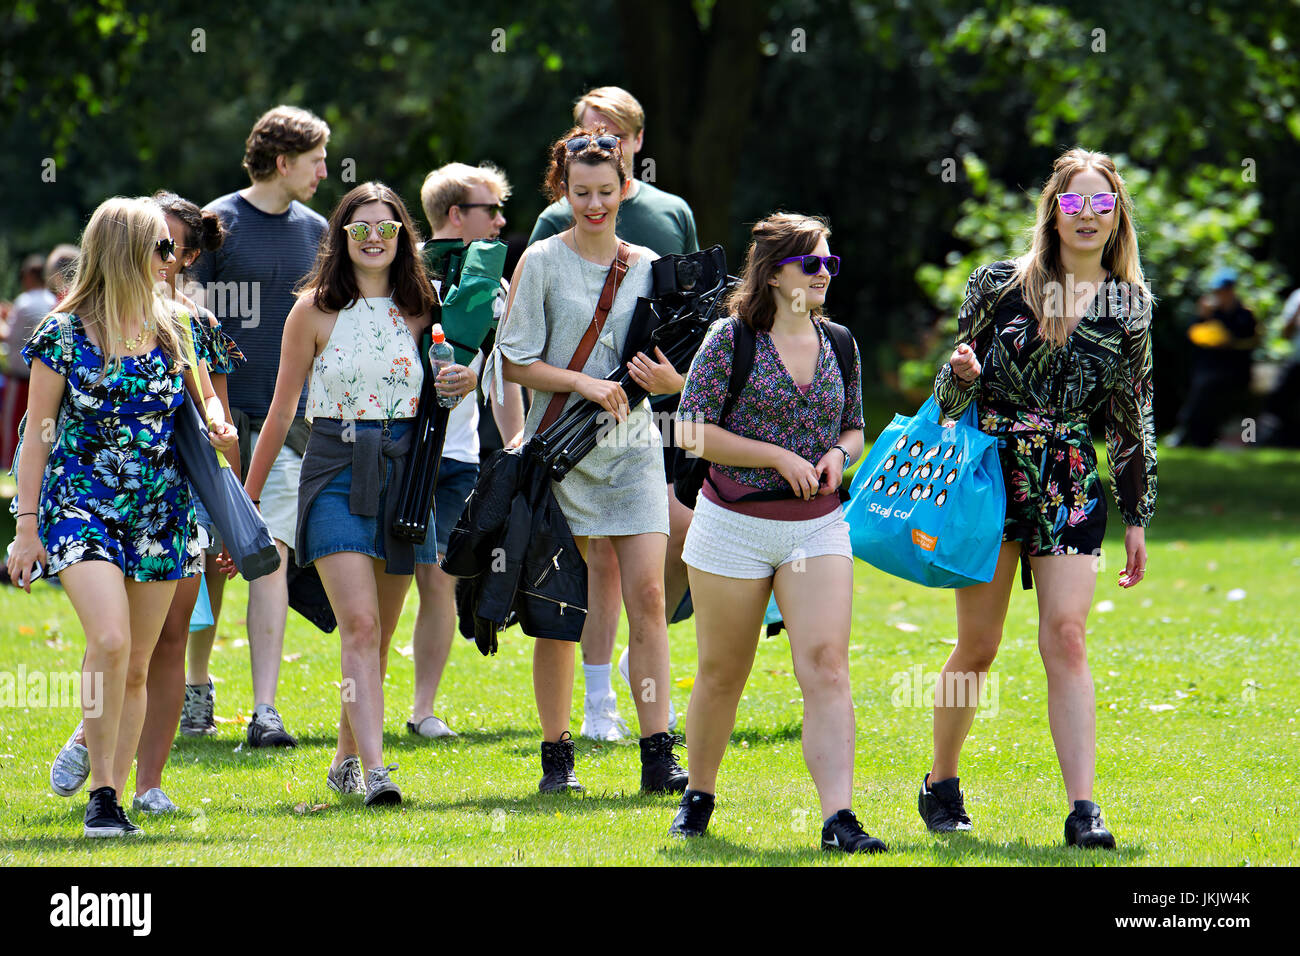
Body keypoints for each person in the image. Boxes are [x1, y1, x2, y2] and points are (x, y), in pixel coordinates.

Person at [924, 148, 1156, 849]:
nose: (1088, 216)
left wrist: (1138, 515)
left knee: (1067, 636)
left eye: (1103, 204)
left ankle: (1084, 810)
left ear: (1117, 217)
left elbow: (1131, 413)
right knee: (979, 646)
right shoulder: (997, 284)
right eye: (1075, 202)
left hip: (1070, 482)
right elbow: (947, 403)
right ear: (1053, 209)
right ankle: (941, 780)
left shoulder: (1130, 306)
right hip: (990, 473)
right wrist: (959, 373)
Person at [5, 196, 236, 836]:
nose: (173, 259)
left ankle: (109, 791)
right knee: (109, 641)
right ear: (123, 251)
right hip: (81, 503)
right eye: (162, 247)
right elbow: (37, 436)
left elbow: (207, 398)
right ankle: (103, 793)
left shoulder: (177, 326)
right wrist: (26, 527)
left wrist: (217, 423)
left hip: (160, 507)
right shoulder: (64, 331)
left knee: (135, 662)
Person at [244, 181, 474, 806]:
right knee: (362, 624)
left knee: (378, 632)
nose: (375, 237)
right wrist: (249, 499)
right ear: (341, 236)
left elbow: (454, 388)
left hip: (409, 472)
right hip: (336, 467)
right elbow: (279, 409)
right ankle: (377, 772)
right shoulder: (312, 310)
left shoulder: (426, 308)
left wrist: (462, 380)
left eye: (387, 226)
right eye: (360, 226)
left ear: (403, 235)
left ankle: (346, 756)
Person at [666, 213, 884, 853]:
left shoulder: (841, 341)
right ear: (774, 272)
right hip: (731, 524)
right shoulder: (728, 339)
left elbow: (853, 425)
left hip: (816, 528)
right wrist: (775, 455)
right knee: (721, 673)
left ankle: (839, 819)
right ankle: (698, 795)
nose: (824, 274)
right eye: (811, 263)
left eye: (829, 263)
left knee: (827, 667)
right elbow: (691, 430)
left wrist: (840, 455)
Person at [495, 127, 688, 794]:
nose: (595, 204)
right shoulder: (542, 261)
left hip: (632, 451)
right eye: (582, 193)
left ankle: (658, 753)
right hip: (562, 452)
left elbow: (678, 361)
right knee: (558, 608)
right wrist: (581, 382)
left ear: (625, 188)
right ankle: (558, 757)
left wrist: (673, 384)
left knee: (651, 598)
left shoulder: (649, 263)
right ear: (563, 190)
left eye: (606, 192)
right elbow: (512, 359)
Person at [529, 86, 699, 742]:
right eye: (585, 129)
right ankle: (597, 704)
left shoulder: (670, 216)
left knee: (672, 542)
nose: (596, 137)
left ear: (635, 144)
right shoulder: (552, 228)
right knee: (597, 563)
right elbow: (527, 338)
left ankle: (640, 669)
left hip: (659, 412)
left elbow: (683, 316)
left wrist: (678, 385)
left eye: (610, 129)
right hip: (578, 425)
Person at [188, 105, 330, 748]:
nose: (325, 172)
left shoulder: (322, 231)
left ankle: (264, 711)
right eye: (316, 159)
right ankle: (195, 688)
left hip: (289, 428)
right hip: (213, 422)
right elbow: (186, 324)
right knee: (206, 562)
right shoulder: (216, 224)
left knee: (269, 555)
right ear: (283, 162)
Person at [129, 190, 244, 810]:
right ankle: (91, 745)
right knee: (119, 638)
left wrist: (230, 519)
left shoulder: (198, 325)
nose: (155, 254)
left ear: (187, 256)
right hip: (109, 498)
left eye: (167, 244)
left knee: (170, 635)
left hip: (181, 498)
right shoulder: (83, 316)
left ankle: (148, 784)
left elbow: (216, 410)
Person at [407, 161, 525, 739]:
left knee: (439, 577)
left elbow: (504, 373)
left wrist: (516, 445)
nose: (502, 221)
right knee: (388, 579)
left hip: (457, 456)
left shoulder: (496, 284)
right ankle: (365, 711)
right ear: (456, 215)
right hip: (398, 451)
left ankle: (421, 709)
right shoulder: (404, 273)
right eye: (491, 211)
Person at [1167, 268, 1259, 448]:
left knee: (1207, 385)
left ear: (1230, 290)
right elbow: (1193, 336)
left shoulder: (1245, 315)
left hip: (1235, 370)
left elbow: (1249, 342)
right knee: (1201, 383)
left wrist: (1229, 342)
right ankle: (1195, 435)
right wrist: (1204, 316)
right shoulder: (1209, 312)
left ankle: (1190, 432)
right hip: (1207, 369)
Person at [2, 254, 56, 469]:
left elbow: (9, 336)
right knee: (43, 427)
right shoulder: (51, 301)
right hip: (44, 379)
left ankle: (9, 466)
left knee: (13, 426)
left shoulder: (23, 302)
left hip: (20, 377)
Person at [1260, 286, 1300, 446]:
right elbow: (1285, 333)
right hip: (1297, 361)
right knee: (1277, 403)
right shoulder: (1298, 296)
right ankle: (1276, 441)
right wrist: (1295, 316)